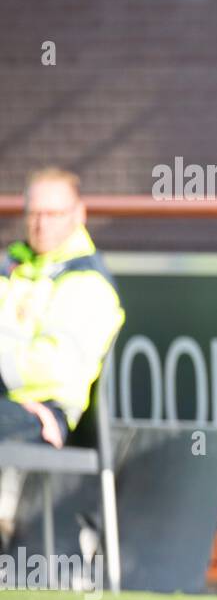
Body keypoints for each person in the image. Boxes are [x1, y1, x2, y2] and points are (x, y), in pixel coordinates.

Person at [0, 168, 125, 551]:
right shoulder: (11, 268)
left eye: (53, 213)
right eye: (34, 213)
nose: (41, 224)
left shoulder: (86, 283)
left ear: (78, 214)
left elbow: (55, 370)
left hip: (41, 414)